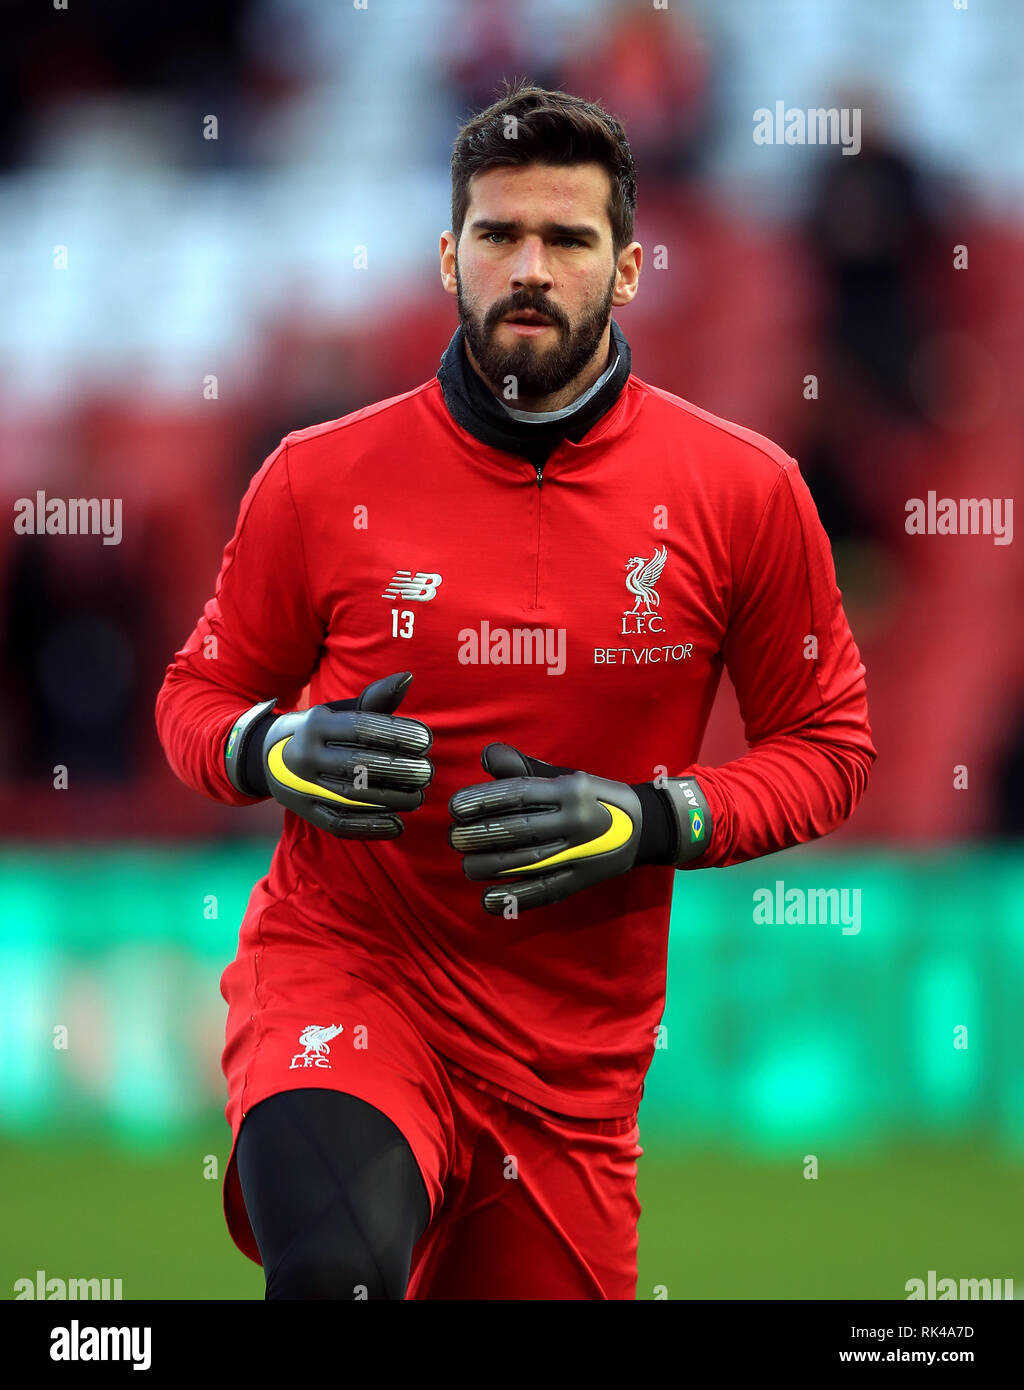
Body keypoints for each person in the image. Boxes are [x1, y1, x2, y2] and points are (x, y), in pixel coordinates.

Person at [155, 80, 876, 1300]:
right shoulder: (316, 478)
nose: (528, 266)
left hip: (570, 1056)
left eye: (566, 238)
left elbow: (830, 746)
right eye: (498, 235)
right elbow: (195, 695)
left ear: (631, 266)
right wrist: (270, 748)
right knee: (331, 1273)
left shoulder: (742, 491)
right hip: (350, 969)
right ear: (450, 253)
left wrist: (649, 819)